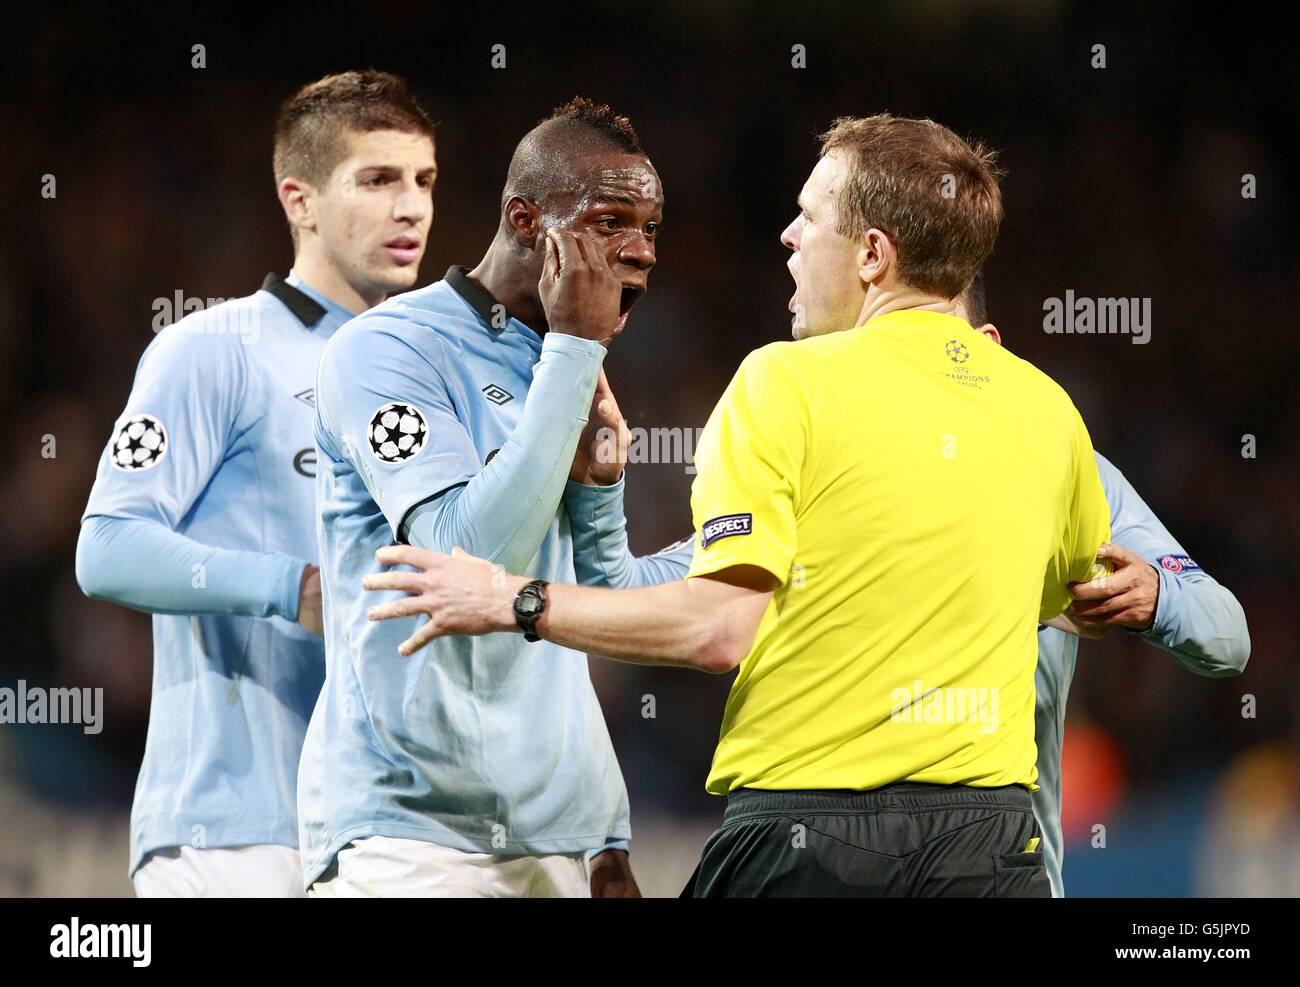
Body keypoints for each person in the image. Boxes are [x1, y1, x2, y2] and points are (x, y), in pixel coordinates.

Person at [362, 113, 1113, 897]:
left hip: (812, 840)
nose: (788, 236)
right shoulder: (1048, 408)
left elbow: (718, 628)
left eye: (811, 217)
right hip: (994, 848)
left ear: (872, 255)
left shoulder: (784, 383)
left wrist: (514, 599)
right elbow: (1078, 597)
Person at [75, 70, 436, 896]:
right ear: (299, 201)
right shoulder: (212, 349)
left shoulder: (431, 384)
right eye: (378, 179)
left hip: (396, 832)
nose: (411, 206)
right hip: (234, 831)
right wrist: (294, 586)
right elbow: (107, 548)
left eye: (423, 181)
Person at [299, 98, 660, 897]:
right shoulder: (388, 349)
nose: (638, 251)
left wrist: (603, 828)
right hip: (411, 840)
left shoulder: (566, 365)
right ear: (526, 220)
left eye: (650, 229)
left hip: (556, 845)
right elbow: (469, 566)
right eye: (610, 222)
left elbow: (590, 605)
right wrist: (572, 349)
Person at [958, 275, 1251, 896]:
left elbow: (1225, 631)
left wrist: (1156, 598)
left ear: (985, 347)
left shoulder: (1068, 470)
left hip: (1006, 869)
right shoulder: (822, 455)